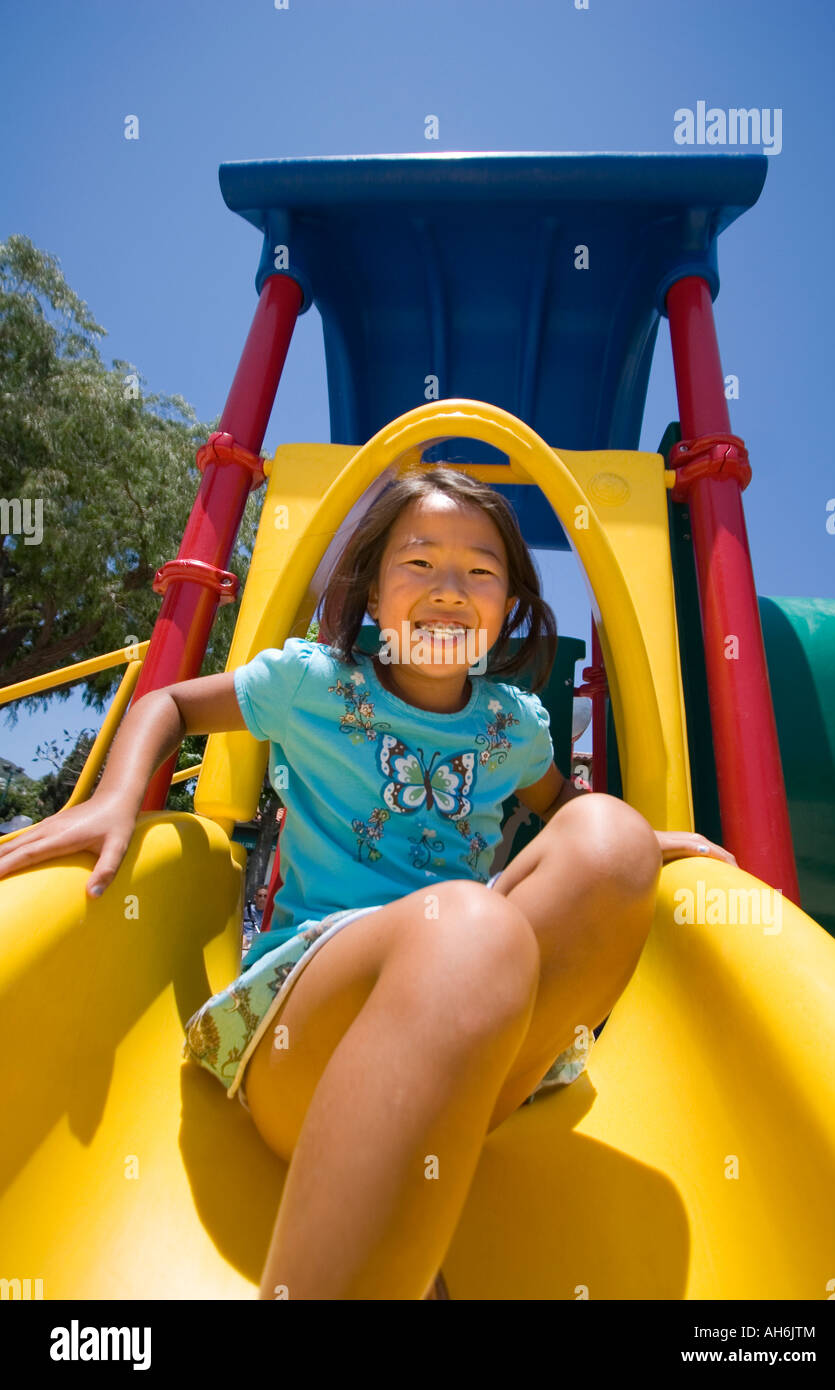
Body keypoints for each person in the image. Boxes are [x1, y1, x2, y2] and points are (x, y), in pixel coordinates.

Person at [0, 463, 736, 1301]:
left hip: (472, 1020)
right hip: (309, 1034)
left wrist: (639, 839)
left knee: (609, 843)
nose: (450, 588)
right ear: (372, 592)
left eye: (481, 570)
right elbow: (169, 705)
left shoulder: (511, 725)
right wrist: (113, 801)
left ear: (510, 608)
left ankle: (429, 1146)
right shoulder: (314, 685)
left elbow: (564, 810)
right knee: (468, 925)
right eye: (419, 563)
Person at [242, 884, 269, 953]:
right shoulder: (247, 910)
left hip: (260, 942)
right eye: (260, 896)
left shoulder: (270, 913)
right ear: (255, 897)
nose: (262, 899)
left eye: (265, 896)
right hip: (246, 942)